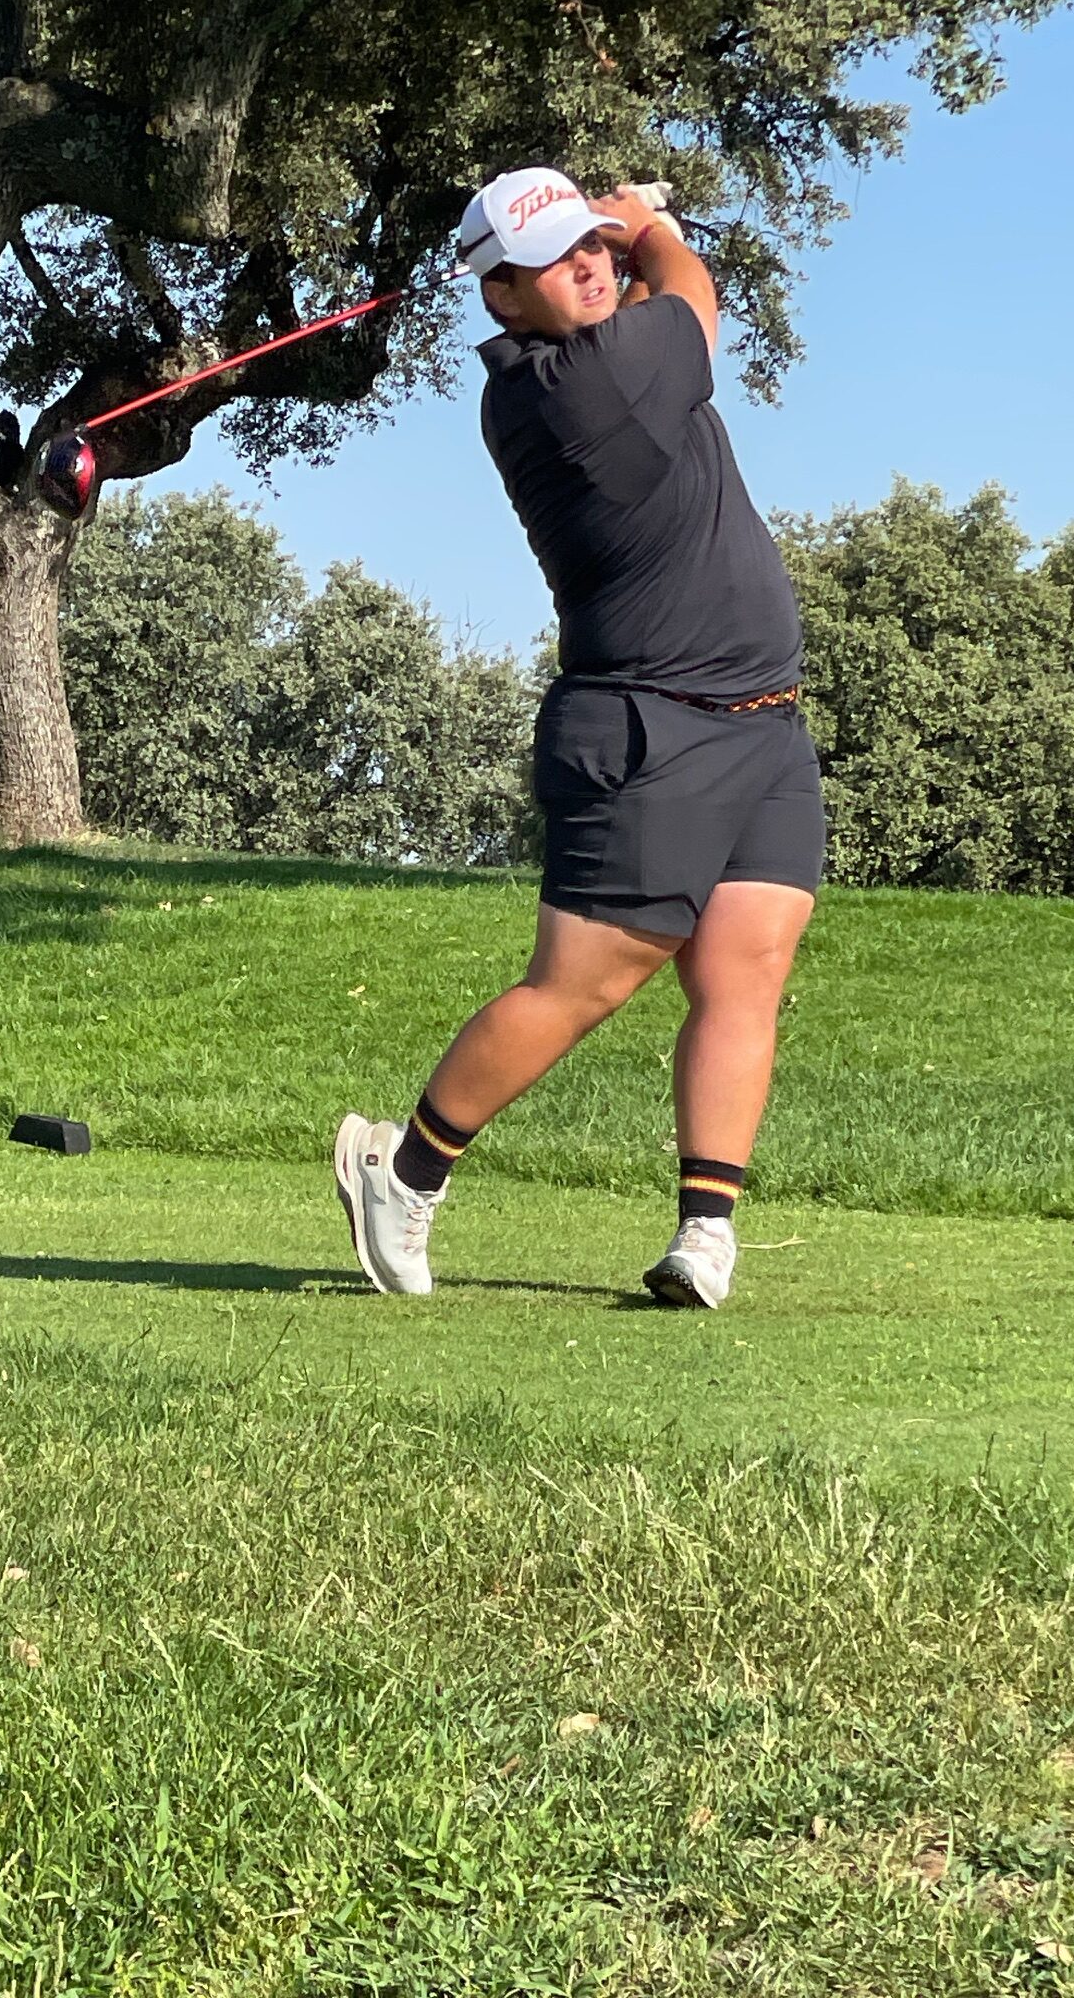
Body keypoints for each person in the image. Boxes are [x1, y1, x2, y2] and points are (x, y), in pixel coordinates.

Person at [334, 167, 824, 1309]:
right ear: (502, 295)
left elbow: (655, 305)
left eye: (594, 243)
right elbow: (693, 295)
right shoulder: (576, 387)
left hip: (762, 723)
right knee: (583, 984)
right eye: (557, 258)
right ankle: (402, 1174)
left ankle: (705, 1233)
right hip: (648, 726)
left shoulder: (601, 354)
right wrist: (652, 224)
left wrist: (625, 236)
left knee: (747, 971)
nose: (591, 265)